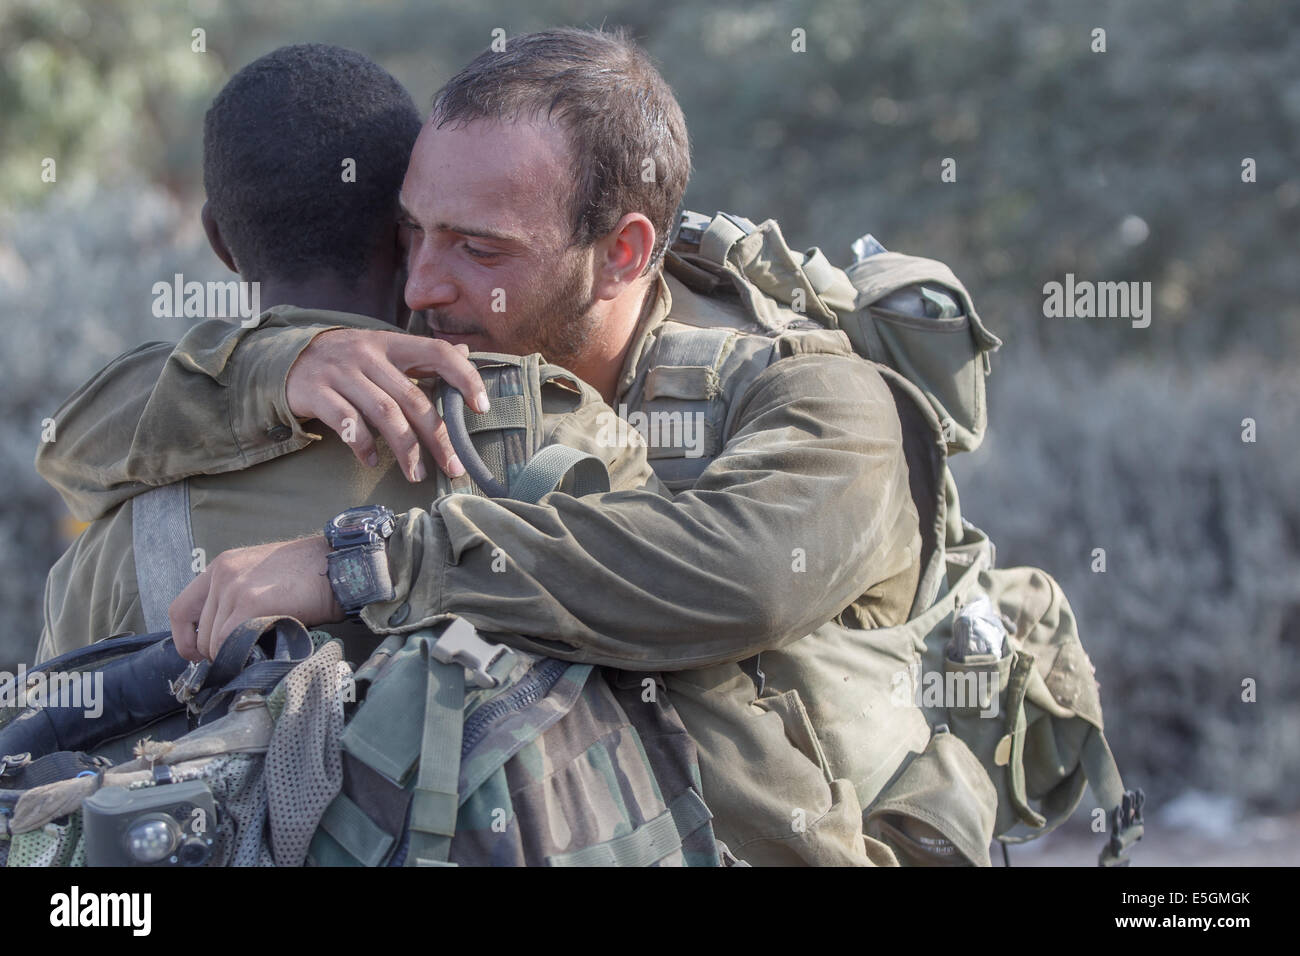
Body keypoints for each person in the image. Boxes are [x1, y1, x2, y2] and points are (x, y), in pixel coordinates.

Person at [38, 28, 921, 866]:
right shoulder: (437, 342)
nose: (420, 282)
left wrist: (363, 567)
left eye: (478, 247)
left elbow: (744, 572)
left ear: (621, 252)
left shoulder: (810, 397)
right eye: (412, 231)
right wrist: (281, 363)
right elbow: (91, 435)